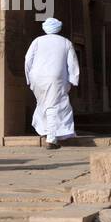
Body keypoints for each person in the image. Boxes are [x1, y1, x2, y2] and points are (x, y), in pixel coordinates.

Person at [24, 18, 79, 150]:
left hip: (37, 78)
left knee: (45, 104)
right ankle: (51, 138)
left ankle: (47, 131)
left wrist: (29, 77)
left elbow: (28, 60)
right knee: (53, 106)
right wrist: (73, 79)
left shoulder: (37, 41)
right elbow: (72, 63)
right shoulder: (66, 42)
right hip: (56, 78)